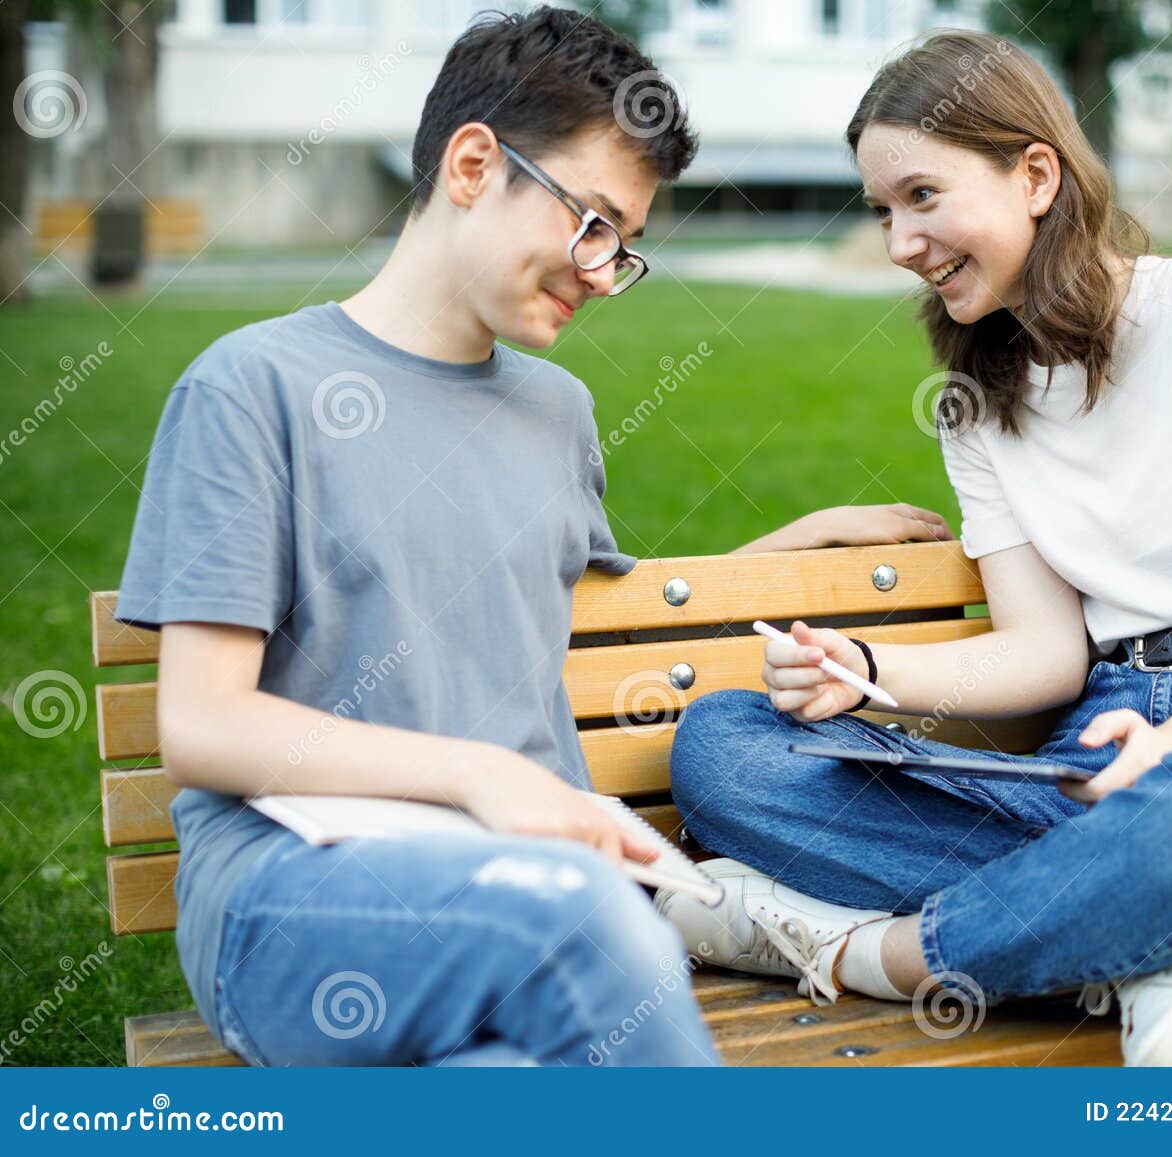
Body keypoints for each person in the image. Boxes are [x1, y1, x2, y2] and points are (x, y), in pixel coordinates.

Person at [114, 7, 948, 1068]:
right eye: (592, 222)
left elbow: (568, 609)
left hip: (525, 881)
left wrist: (802, 544)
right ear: (472, 164)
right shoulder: (252, 386)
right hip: (301, 889)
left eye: (627, 247)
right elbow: (201, 721)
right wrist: (480, 775)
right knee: (582, 923)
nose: (603, 272)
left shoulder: (555, 411)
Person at [655, 30, 1172, 1067]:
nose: (901, 239)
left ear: (1035, 174)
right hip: (1081, 764)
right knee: (723, 745)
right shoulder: (977, 407)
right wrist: (865, 672)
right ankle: (1148, 918)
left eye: (922, 196)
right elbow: (1044, 651)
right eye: (883, 211)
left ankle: (875, 952)